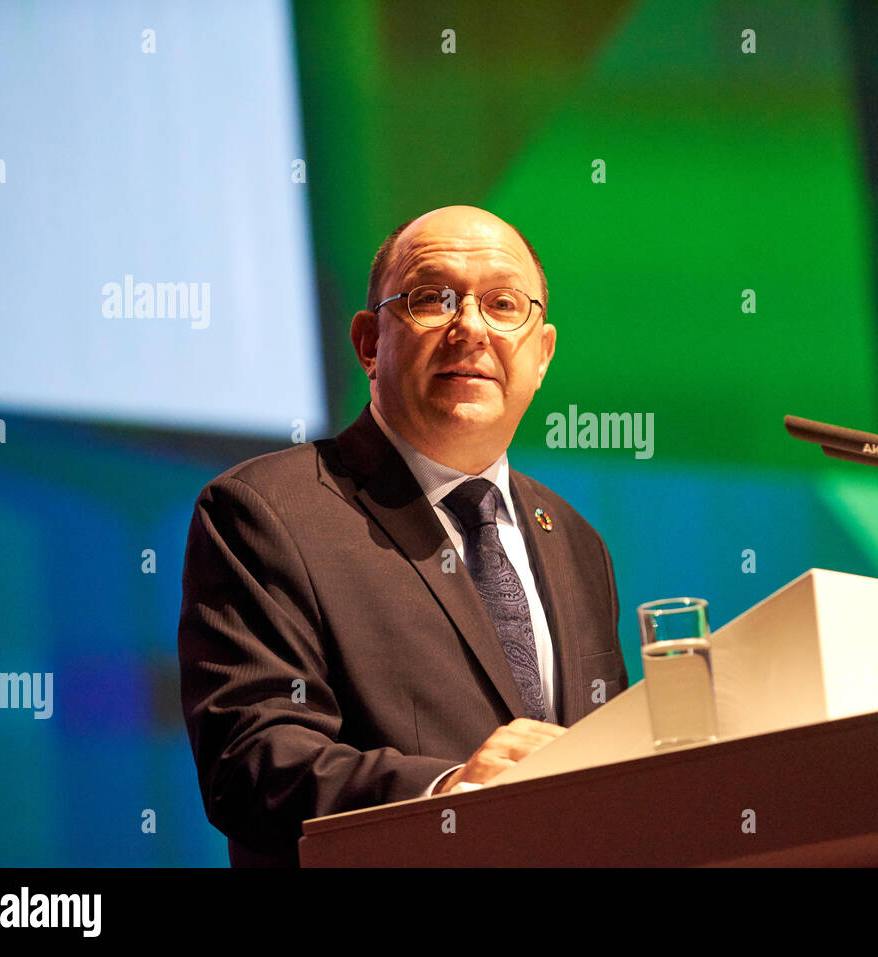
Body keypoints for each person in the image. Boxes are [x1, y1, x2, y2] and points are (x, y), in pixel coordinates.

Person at [177, 205, 628, 867]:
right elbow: (249, 760)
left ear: (542, 354)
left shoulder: (576, 541)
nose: (469, 326)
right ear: (368, 342)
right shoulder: (265, 510)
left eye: (504, 303)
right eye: (431, 298)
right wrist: (448, 792)